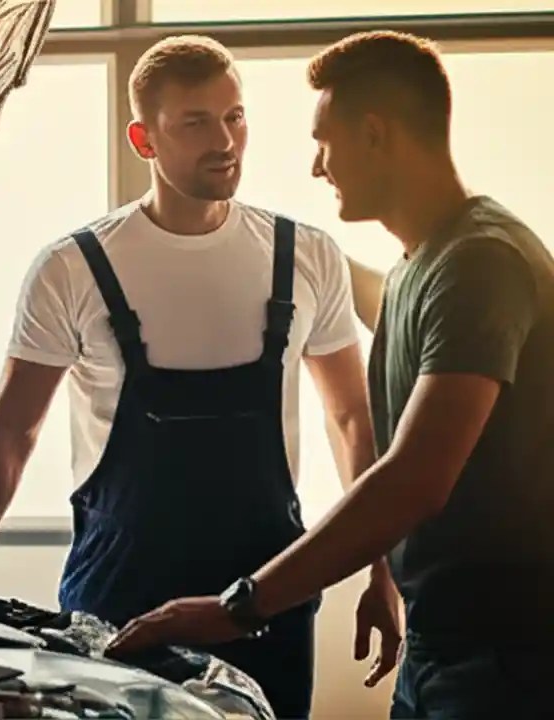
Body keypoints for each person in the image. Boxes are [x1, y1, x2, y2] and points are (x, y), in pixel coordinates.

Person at [0, 34, 401, 718]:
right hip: (117, 597)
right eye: (195, 122)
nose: (225, 140)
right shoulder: (74, 268)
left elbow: (352, 417)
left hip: (263, 596)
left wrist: (383, 568)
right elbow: (11, 430)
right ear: (145, 139)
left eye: (234, 116)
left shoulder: (305, 256)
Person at [102, 30, 554, 719]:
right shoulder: (420, 265)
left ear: (375, 135)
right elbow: (347, 289)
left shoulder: (480, 263)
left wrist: (237, 606)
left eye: (325, 141)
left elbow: (414, 479)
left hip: (507, 658)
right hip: (444, 648)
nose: (317, 167)